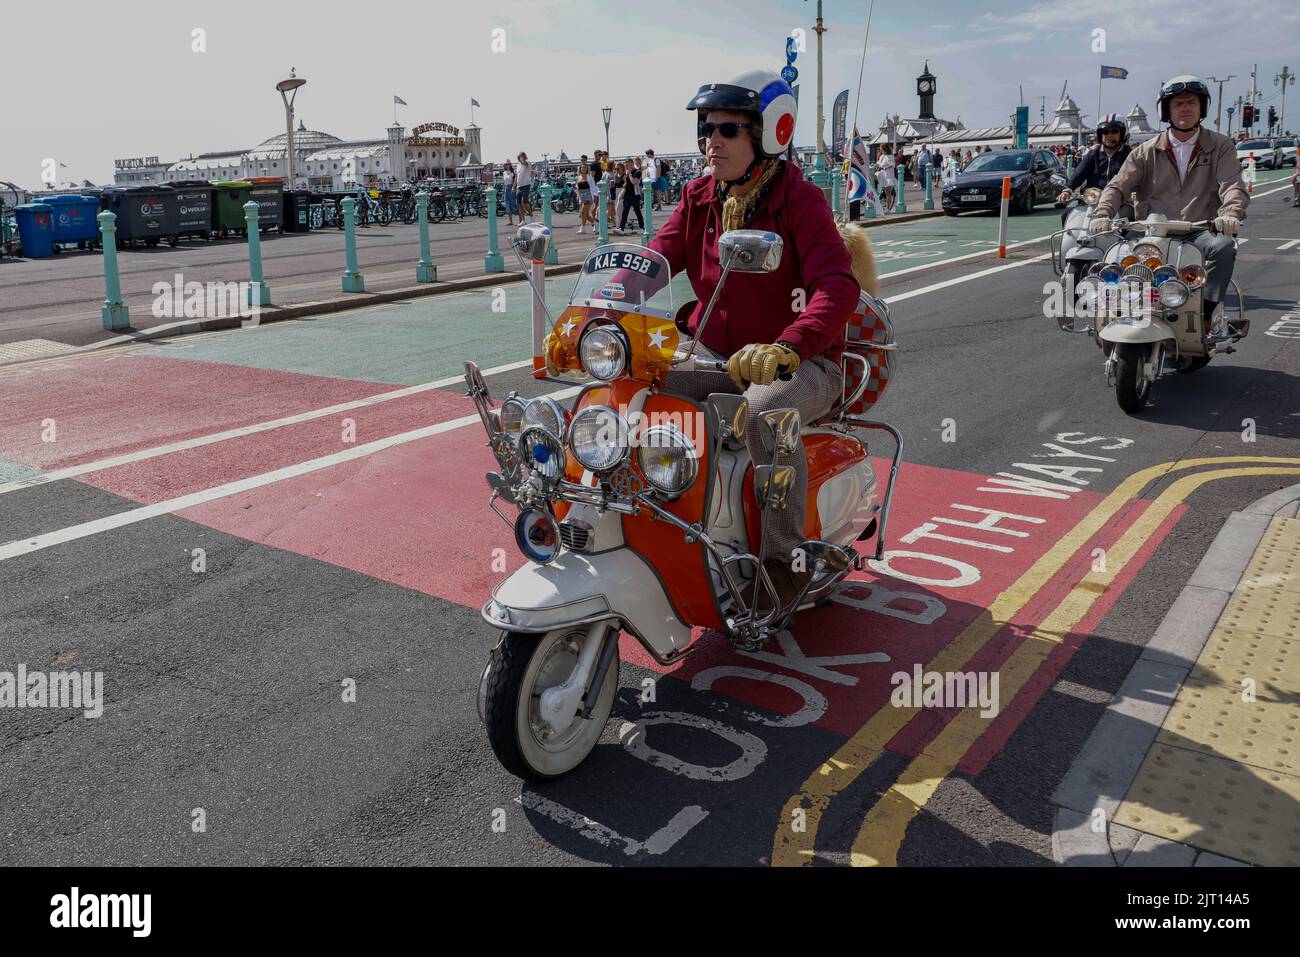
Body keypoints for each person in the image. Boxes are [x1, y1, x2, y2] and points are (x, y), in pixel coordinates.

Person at [648, 68, 860, 609]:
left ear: (770, 133)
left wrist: (789, 345)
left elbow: (837, 286)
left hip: (800, 363)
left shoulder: (800, 200)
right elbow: (655, 259)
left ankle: (783, 561)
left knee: (766, 413)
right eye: (706, 129)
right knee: (640, 381)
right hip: (717, 357)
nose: (711, 141)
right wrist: (601, 302)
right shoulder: (699, 197)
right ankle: (648, 517)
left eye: (728, 129)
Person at [1091, 75, 1249, 330]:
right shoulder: (1145, 151)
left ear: (1202, 108)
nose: (1185, 108)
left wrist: (1230, 213)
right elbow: (1118, 185)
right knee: (1116, 256)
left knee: (1223, 246)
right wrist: (1102, 213)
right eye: (1178, 104)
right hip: (1152, 231)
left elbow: (1232, 184)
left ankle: (1206, 314)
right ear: (1166, 111)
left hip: (1199, 230)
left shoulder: (1220, 146)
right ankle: (1116, 312)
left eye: (1191, 103)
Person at [1057, 113, 1133, 224]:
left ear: (1122, 133)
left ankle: (1128, 236)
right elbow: (1078, 174)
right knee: (1068, 217)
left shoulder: (1131, 155)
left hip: (1121, 199)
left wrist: (1134, 194)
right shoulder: (1093, 154)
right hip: (1093, 198)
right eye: (1105, 132)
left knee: (1128, 218)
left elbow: (1138, 177)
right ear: (1100, 135)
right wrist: (1067, 190)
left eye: (1114, 131)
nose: (1109, 135)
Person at [619, 159, 645, 233]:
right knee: (625, 212)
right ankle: (621, 228)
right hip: (627, 195)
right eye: (626, 165)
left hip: (635, 195)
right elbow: (627, 183)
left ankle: (642, 227)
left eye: (627, 165)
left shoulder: (637, 172)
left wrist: (630, 174)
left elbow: (634, 182)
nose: (626, 166)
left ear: (632, 164)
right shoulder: (627, 173)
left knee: (637, 211)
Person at [576, 159, 596, 233]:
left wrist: (594, 197)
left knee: (582, 212)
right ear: (580, 169)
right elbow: (578, 188)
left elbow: (593, 187)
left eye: (585, 167)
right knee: (585, 214)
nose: (584, 169)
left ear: (587, 169)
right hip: (581, 196)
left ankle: (582, 228)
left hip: (588, 196)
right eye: (582, 167)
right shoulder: (579, 177)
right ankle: (595, 224)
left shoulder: (589, 177)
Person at [875, 143, 896, 210]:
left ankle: (888, 208)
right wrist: (877, 166)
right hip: (882, 175)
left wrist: (885, 167)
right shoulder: (882, 156)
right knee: (884, 191)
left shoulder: (889, 156)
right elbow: (878, 163)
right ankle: (878, 196)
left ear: (884, 149)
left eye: (880, 148)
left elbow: (893, 164)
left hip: (888, 175)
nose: (880, 150)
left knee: (888, 193)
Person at [516, 152, 533, 219]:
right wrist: (514, 187)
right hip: (519, 187)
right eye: (520, 156)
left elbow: (525, 163)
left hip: (526, 185)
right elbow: (517, 176)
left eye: (522, 156)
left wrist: (523, 160)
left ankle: (531, 215)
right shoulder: (518, 165)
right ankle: (523, 220)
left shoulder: (528, 163)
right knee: (519, 205)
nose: (521, 157)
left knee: (524, 203)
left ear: (525, 156)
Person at [502, 159, 518, 227]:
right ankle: (511, 221)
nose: (507, 165)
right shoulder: (504, 173)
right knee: (507, 204)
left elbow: (515, 181)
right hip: (506, 189)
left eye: (508, 164)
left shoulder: (513, 172)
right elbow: (504, 182)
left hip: (511, 188)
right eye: (506, 164)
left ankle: (521, 219)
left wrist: (513, 188)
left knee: (514, 204)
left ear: (510, 165)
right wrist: (503, 190)